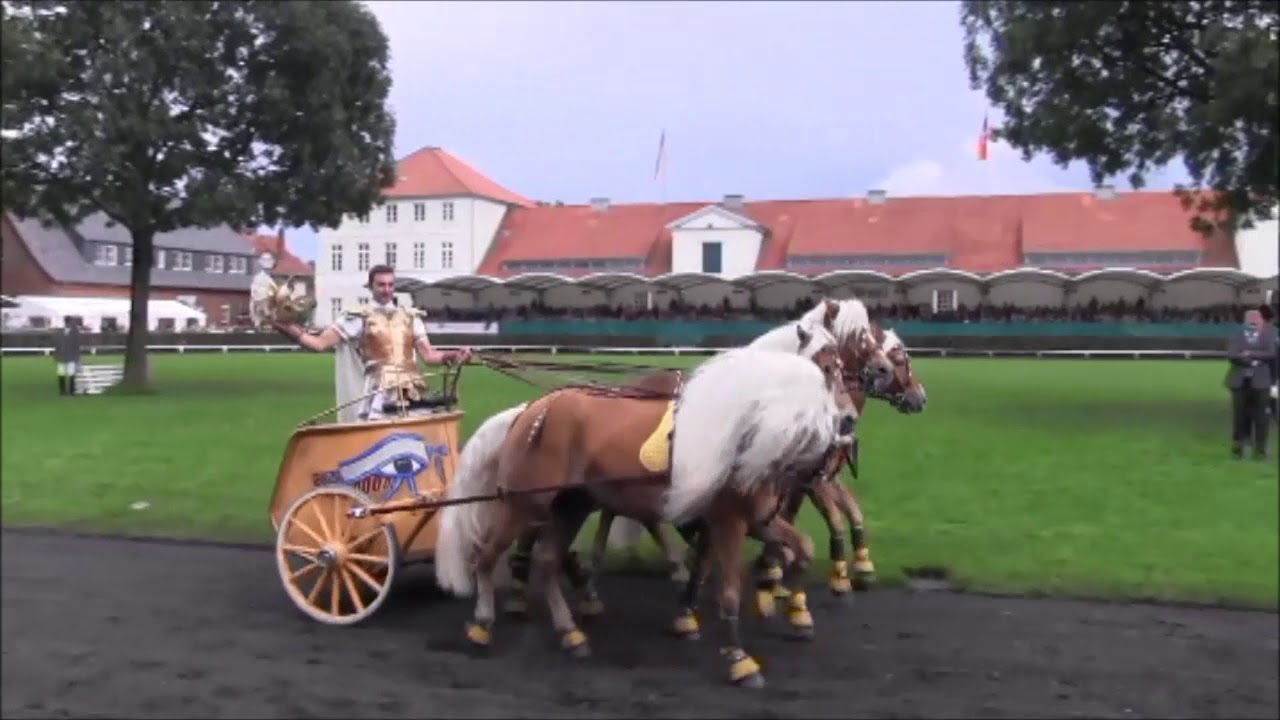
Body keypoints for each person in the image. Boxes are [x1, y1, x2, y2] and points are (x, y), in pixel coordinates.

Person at [273, 265, 474, 423]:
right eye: (381, 285)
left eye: (390, 285)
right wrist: (284, 326)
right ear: (371, 287)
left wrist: (454, 355)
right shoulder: (358, 317)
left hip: (412, 389)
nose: (387, 290)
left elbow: (430, 356)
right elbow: (318, 343)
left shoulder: (411, 316)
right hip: (379, 392)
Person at [1225, 308, 1276, 459]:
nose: (1254, 320)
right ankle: (1239, 447)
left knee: (1262, 416)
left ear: (1261, 319)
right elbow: (1232, 355)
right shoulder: (1237, 335)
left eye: (1256, 318)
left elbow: (1271, 353)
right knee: (1240, 415)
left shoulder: (1269, 335)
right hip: (1239, 381)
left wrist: (1249, 353)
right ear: (1245, 320)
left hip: (1261, 381)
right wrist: (1253, 359)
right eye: (1250, 318)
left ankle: (1261, 448)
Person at [53, 322, 83, 396]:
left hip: (65, 356)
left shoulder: (59, 332)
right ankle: (69, 391)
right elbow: (77, 346)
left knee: (65, 373)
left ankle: (66, 391)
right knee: (67, 373)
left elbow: (56, 344)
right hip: (68, 356)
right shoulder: (75, 333)